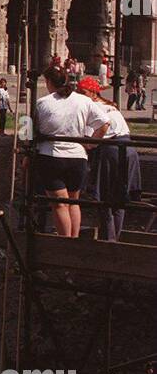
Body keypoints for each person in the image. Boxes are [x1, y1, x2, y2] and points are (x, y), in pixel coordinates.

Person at [35, 63, 107, 238]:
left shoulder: (42, 103)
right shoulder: (84, 101)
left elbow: (26, 130)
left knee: (59, 204)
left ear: (49, 82)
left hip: (52, 156)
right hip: (78, 157)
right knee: (74, 201)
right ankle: (74, 242)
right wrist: (91, 143)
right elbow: (104, 124)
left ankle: (64, 243)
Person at [78, 75, 141, 242]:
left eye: (82, 92)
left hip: (111, 150)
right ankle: (115, 238)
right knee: (119, 198)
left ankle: (108, 240)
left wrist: (87, 146)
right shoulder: (110, 106)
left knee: (104, 198)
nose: (79, 95)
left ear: (92, 93)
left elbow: (93, 135)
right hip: (128, 149)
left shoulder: (92, 107)